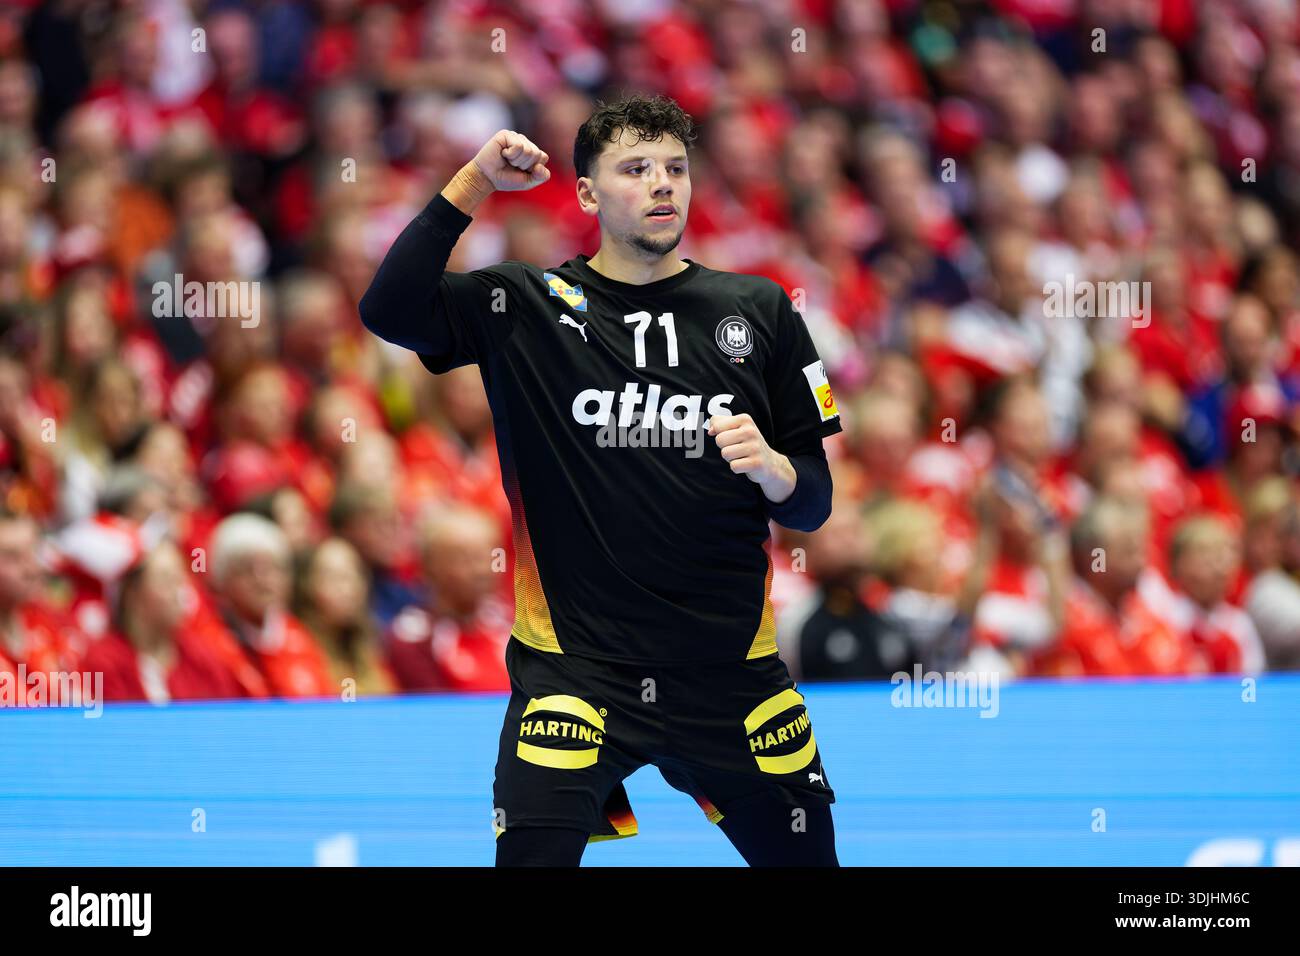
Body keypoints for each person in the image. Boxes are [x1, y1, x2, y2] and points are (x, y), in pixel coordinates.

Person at [360, 95, 842, 866]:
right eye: (636, 168)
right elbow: (388, 307)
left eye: (676, 169)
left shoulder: (760, 310)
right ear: (587, 193)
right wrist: (477, 181)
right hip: (575, 677)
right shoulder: (525, 306)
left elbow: (814, 502)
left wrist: (779, 471)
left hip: (731, 678)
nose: (662, 185)